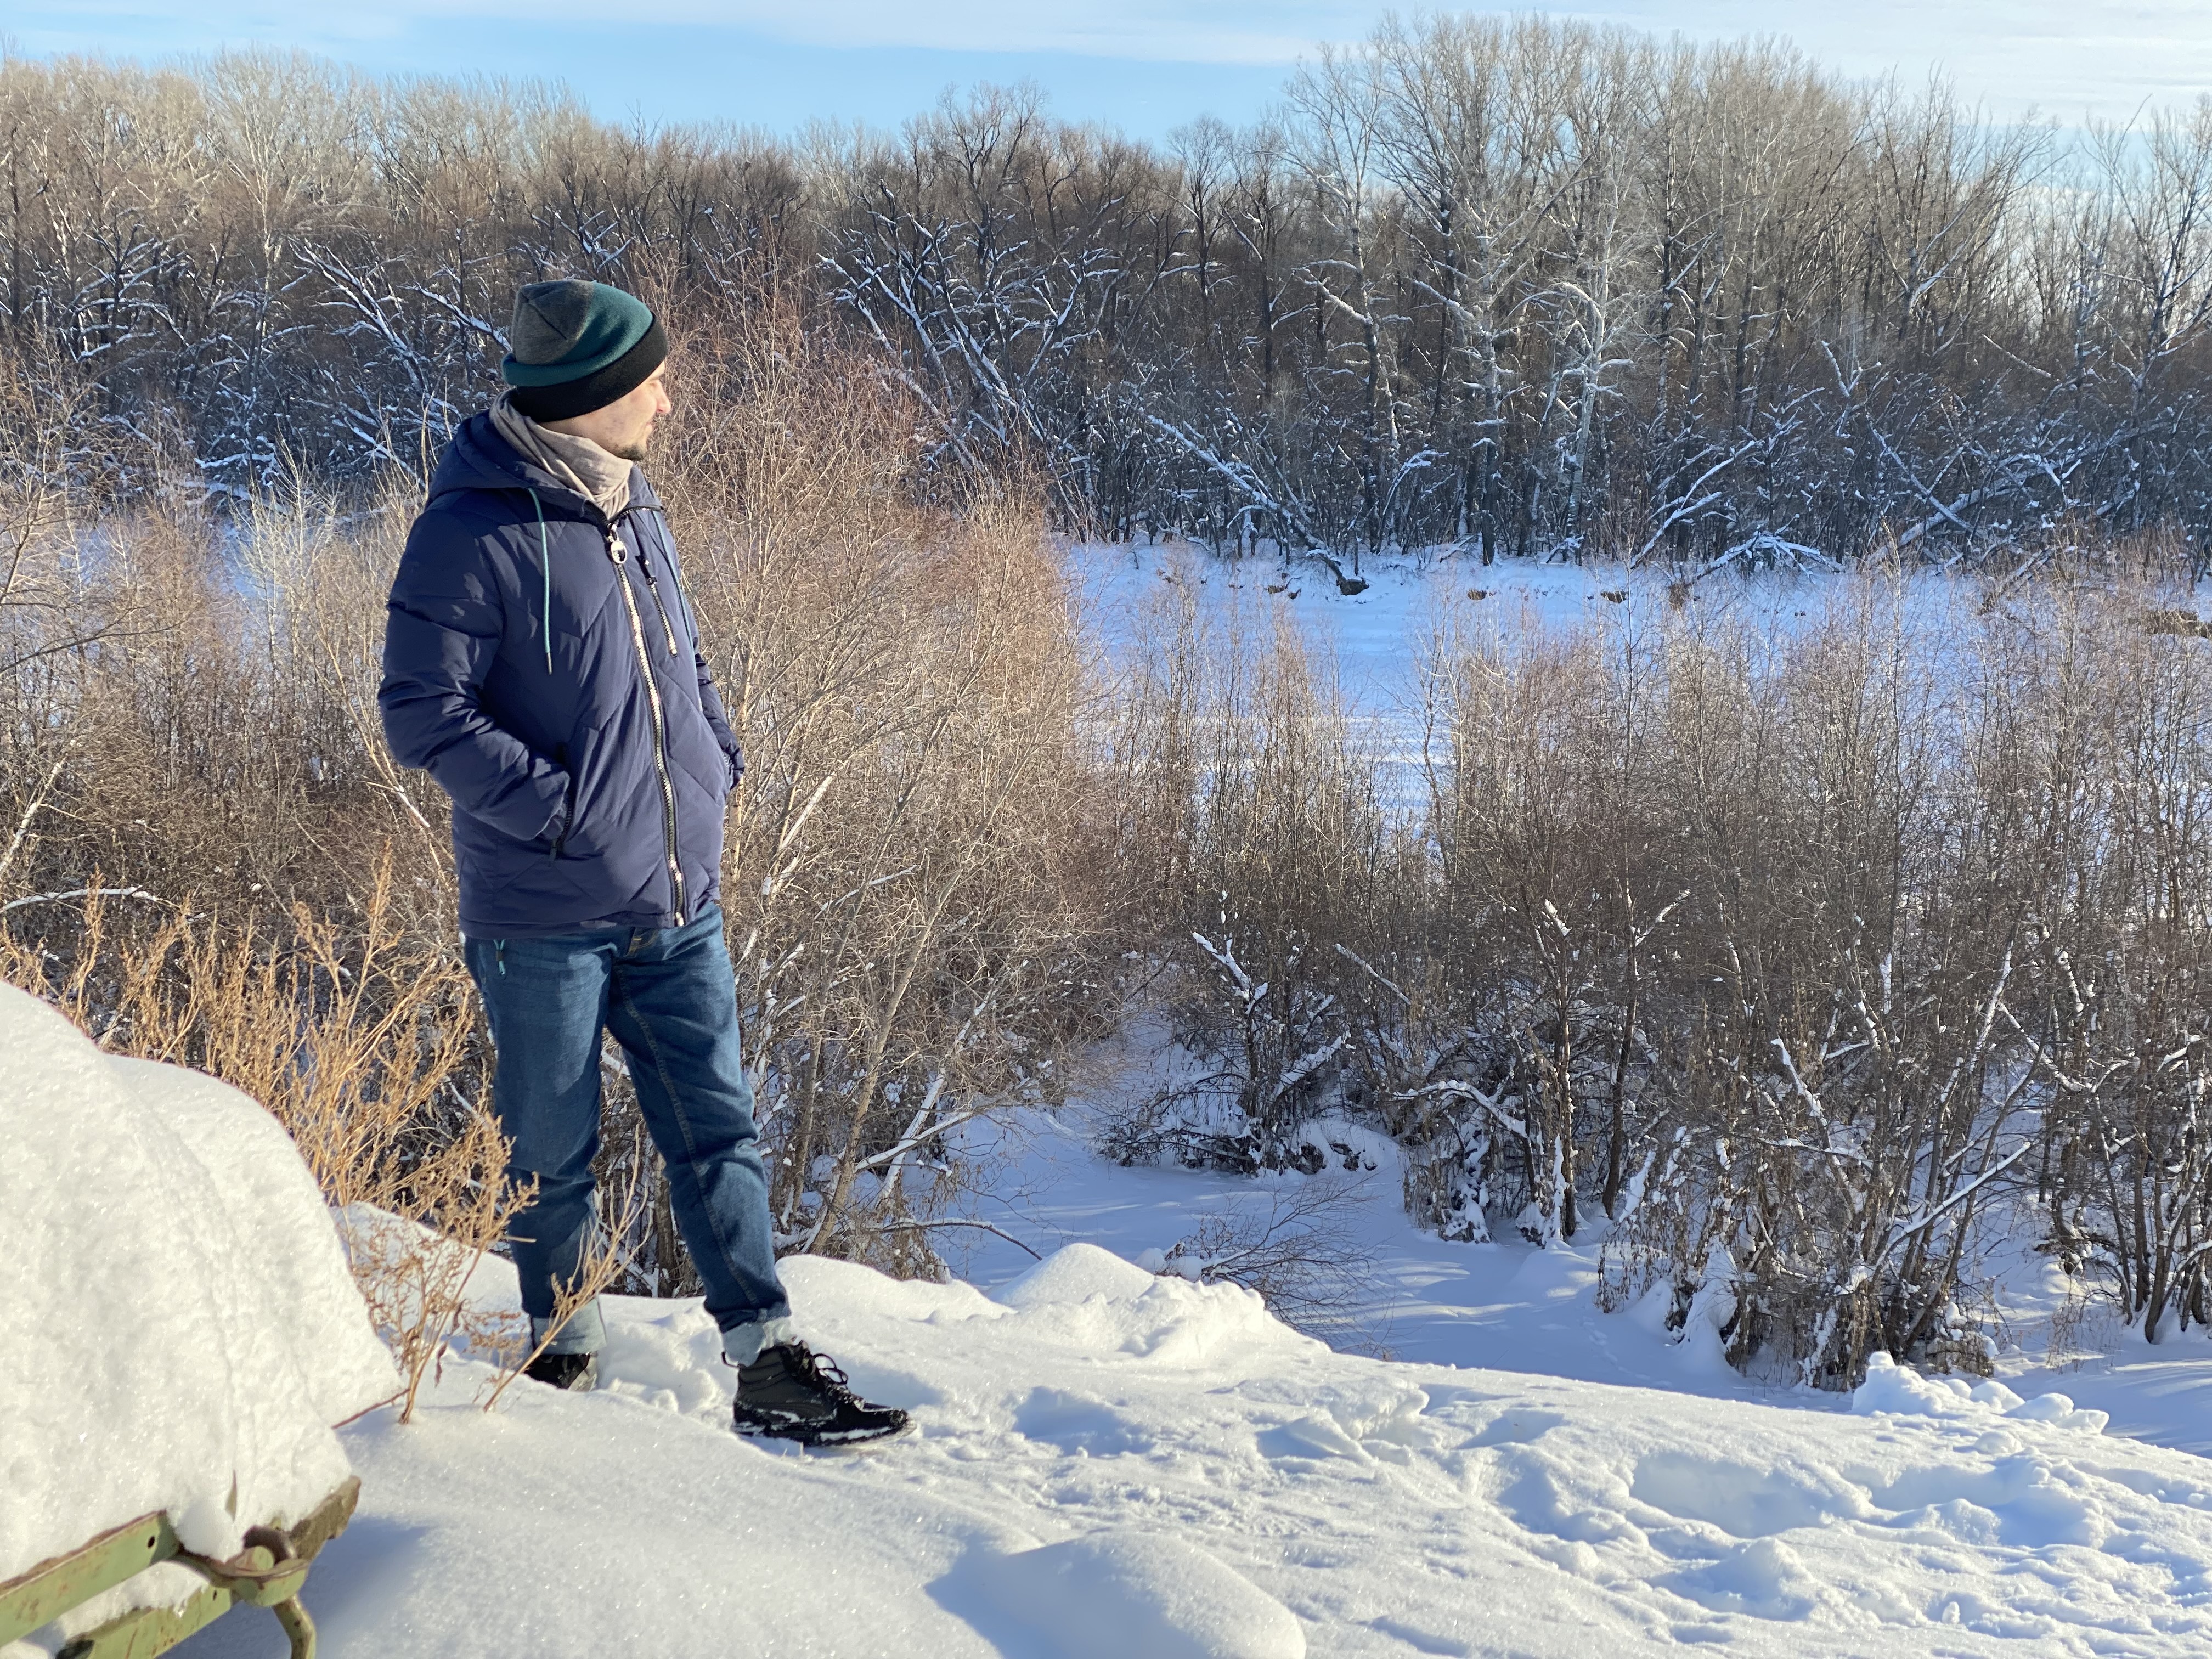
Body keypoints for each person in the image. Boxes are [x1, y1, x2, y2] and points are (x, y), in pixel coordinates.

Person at [378, 279, 908, 1447]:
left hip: (677, 902)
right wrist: (565, 814)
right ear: (592, 396)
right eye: (650, 380)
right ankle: (564, 1359)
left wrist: (718, 756)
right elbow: (421, 713)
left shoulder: (633, 510)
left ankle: (766, 1358)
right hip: (543, 914)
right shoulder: (471, 531)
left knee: (718, 1132)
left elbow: (685, 661)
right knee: (551, 1157)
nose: (667, 400)